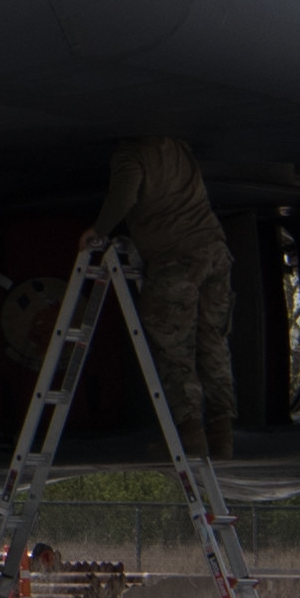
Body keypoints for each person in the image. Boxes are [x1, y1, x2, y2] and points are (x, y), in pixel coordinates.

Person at [94, 135, 235, 449]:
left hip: (175, 260)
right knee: (212, 341)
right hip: (214, 252)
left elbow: (124, 197)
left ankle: (189, 433)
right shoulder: (178, 147)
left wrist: (97, 231)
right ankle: (222, 429)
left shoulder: (130, 154)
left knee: (174, 348)